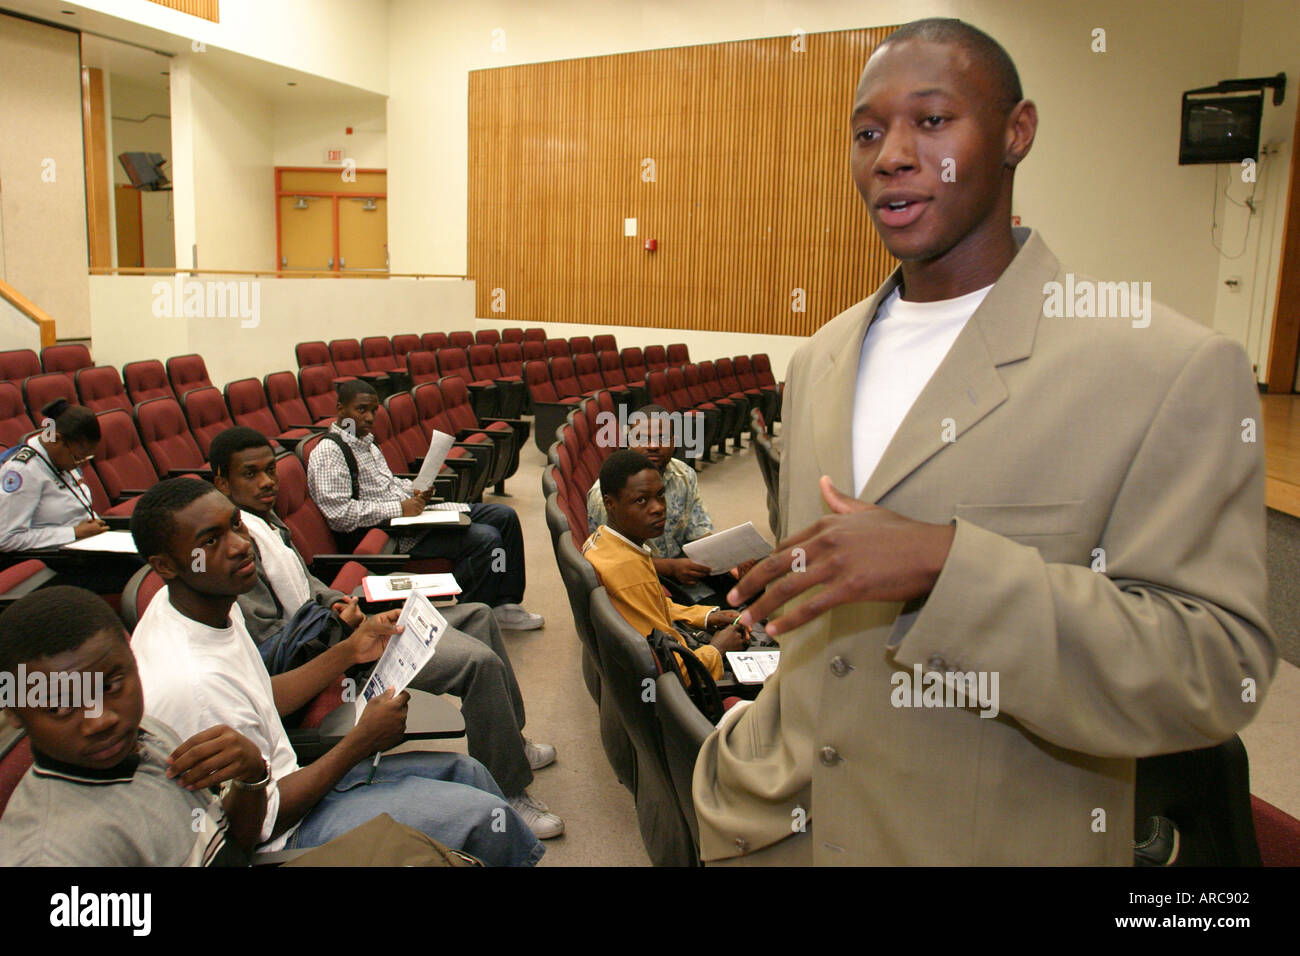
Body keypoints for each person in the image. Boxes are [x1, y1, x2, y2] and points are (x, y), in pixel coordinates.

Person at [694, 17, 1277, 866]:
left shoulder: (1168, 369)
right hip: (785, 830)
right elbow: (821, 637)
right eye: (867, 131)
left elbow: (1217, 669)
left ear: (1016, 132)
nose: (890, 153)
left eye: (932, 121)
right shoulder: (817, 360)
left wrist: (947, 563)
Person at [127, 477, 544, 866]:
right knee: (482, 814)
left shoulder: (203, 604)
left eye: (236, 525)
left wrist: (347, 652)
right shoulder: (192, 681)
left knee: (470, 771)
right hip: (285, 832)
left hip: (289, 785)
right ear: (165, 566)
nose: (239, 546)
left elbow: (261, 695)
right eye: (211, 541)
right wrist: (362, 741)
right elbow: (250, 831)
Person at [209, 425, 564, 838]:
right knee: (477, 663)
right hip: (332, 656)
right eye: (250, 474)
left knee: (480, 614)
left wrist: (338, 602)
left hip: (340, 625)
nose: (267, 482)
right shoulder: (233, 552)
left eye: (270, 470)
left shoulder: (263, 521)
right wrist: (335, 624)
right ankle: (510, 792)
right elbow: (275, 643)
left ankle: (510, 745)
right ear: (222, 481)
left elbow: (307, 583)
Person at [0, 586, 268, 866]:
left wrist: (252, 778)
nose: (101, 720)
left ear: (134, 661)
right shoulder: (54, 856)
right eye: (59, 707)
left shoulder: (146, 733)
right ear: (15, 714)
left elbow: (227, 850)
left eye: (110, 686)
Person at [306, 380, 542, 630]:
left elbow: (388, 484)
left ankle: (505, 602)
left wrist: (414, 489)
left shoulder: (366, 443)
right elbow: (339, 514)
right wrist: (400, 508)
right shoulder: (329, 452)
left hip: (411, 517)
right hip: (392, 533)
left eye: (374, 410)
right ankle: (469, 617)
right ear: (340, 409)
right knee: (486, 539)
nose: (369, 417)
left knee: (504, 516)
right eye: (361, 410)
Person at [583, 450, 748, 682]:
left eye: (660, 495)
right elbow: (672, 675)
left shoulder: (604, 541)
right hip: (684, 689)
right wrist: (718, 649)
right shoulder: (627, 571)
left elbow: (653, 606)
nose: (658, 507)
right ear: (610, 504)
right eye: (641, 500)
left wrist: (706, 616)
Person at [586, 404, 755, 606]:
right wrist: (670, 568)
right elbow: (612, 564)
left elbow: (698, 530)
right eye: (641, 438)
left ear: (675, 442)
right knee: (725, 611)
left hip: (686, 564)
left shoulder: (683, 474)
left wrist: (729, 557)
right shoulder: (608, 496)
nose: (652, 445)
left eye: (662, 438)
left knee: (758, 583)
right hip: (642, 582)